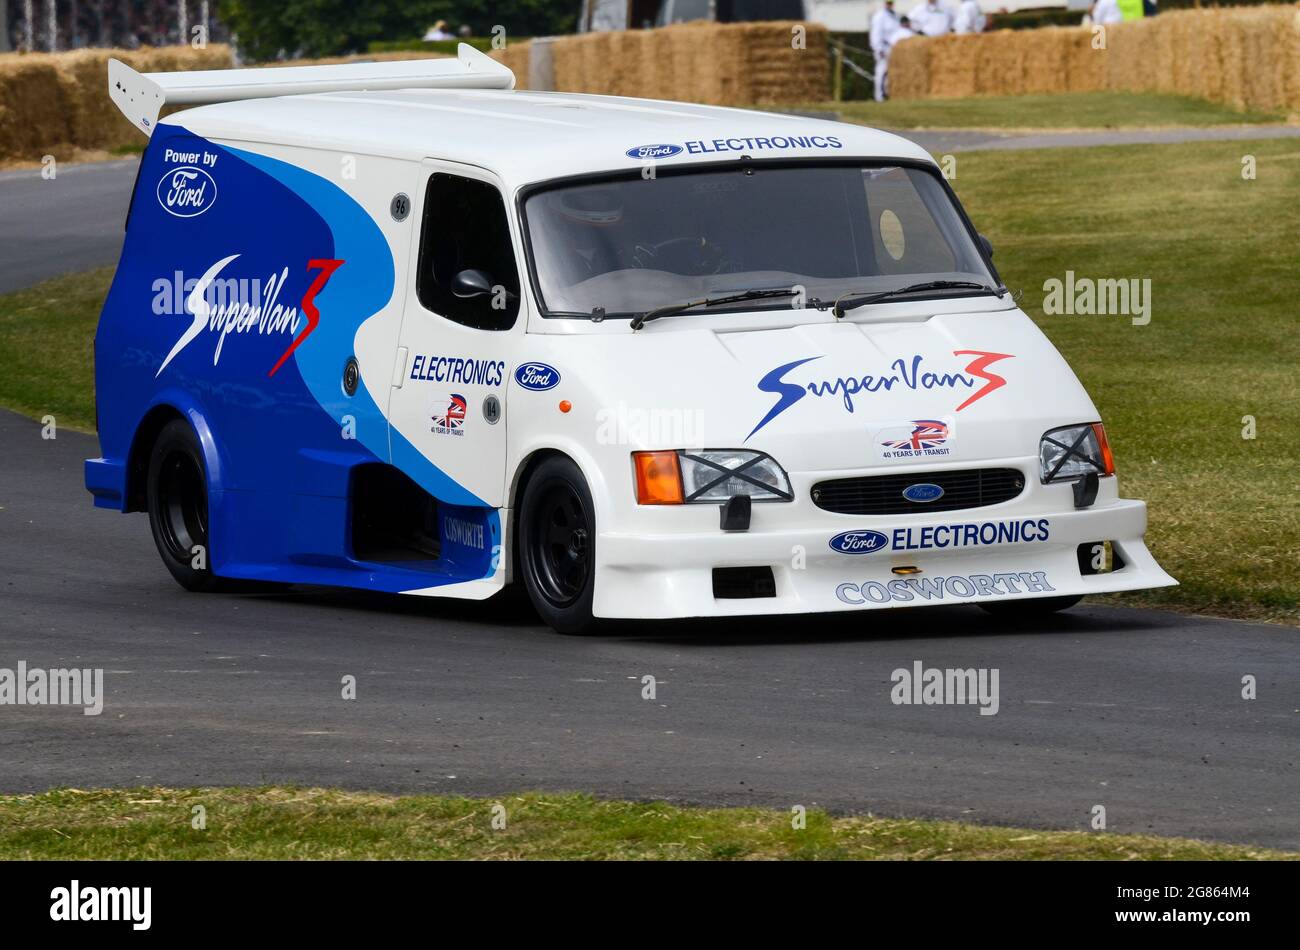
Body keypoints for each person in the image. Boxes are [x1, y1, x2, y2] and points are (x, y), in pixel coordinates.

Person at [870, 0, 902, 103]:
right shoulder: (880, 16)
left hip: (893, 48)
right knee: (882, 72)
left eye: (891, 3)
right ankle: (879, 97)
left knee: (890, 73)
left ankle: (888, 95)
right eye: (888, 3)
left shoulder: (894, 15)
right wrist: (878, 49)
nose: (890, 4)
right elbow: (876, 34)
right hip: (883, 48)